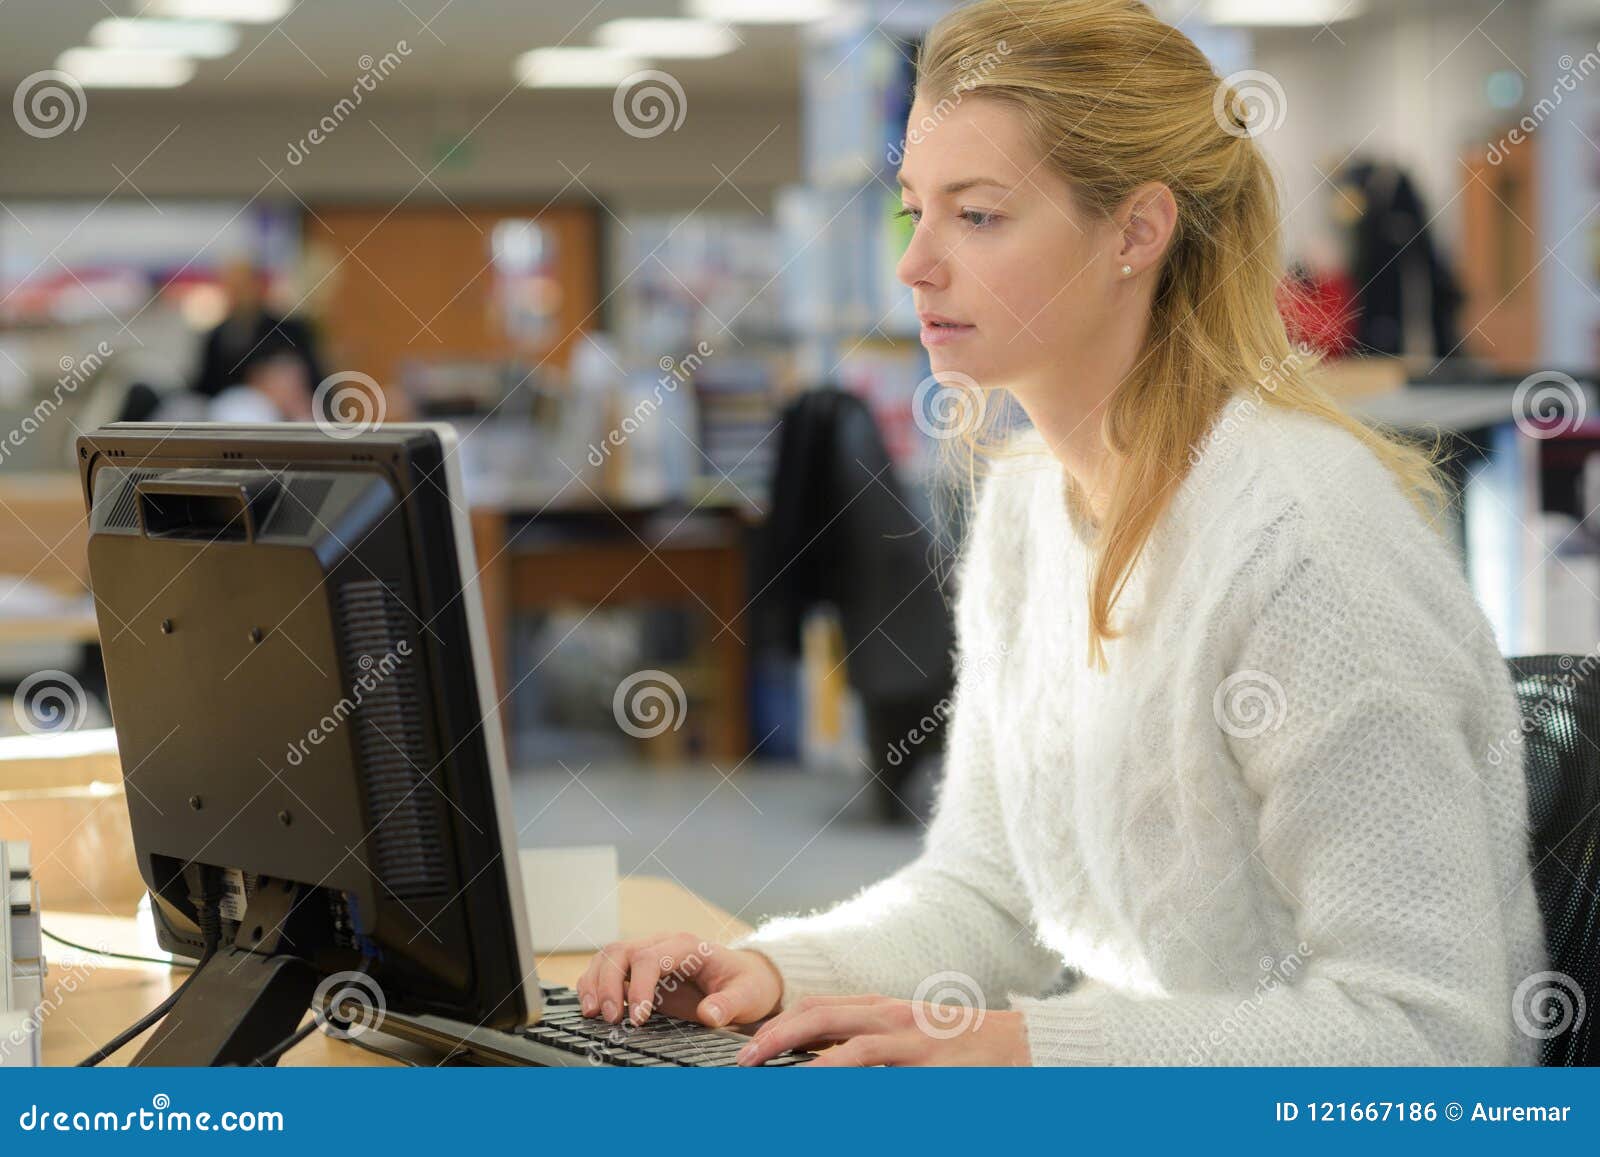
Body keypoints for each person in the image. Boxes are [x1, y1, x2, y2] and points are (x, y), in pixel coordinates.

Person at [576, 0, 1547, 1066]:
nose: (915, 265)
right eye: (915, 211)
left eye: (978, 216)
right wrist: (772, 970)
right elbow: (988, 893)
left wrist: (1032, 1050)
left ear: (1136, 230)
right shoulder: (1030, 501)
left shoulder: (1305, 546)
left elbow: (1434, 1037)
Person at [192, 258, 324, 400]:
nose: (239, 294)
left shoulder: (290, 331)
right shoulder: (217, 336)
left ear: (258, 286)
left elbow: (314, 379)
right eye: (232, 287)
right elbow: (205, 384)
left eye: (243, 286)